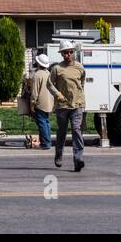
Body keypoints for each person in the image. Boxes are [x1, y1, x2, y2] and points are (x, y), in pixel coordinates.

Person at [49, 43, 86, 172]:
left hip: (77, 105)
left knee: (76, 130)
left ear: (73, 52)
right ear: (61, 54)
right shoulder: (57, 69)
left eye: (70, 52)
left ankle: (78, 159)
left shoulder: (79, 67)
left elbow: (82, 82)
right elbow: (50, 84)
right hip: (62, 106)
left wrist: (80, 99)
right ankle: (59, 154)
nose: (68, 55)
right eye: (65, 53)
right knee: (62, 131)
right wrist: (57, 94)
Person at [29, 52, 55, 150]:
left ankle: (45, 144)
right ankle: (47, 141)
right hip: (50, 103)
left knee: (42, 123)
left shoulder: (37, 75)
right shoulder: (49, 73)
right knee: (46, 123)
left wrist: (32, 103)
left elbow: (35, 92)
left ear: (39, 63)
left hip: (40, 103)